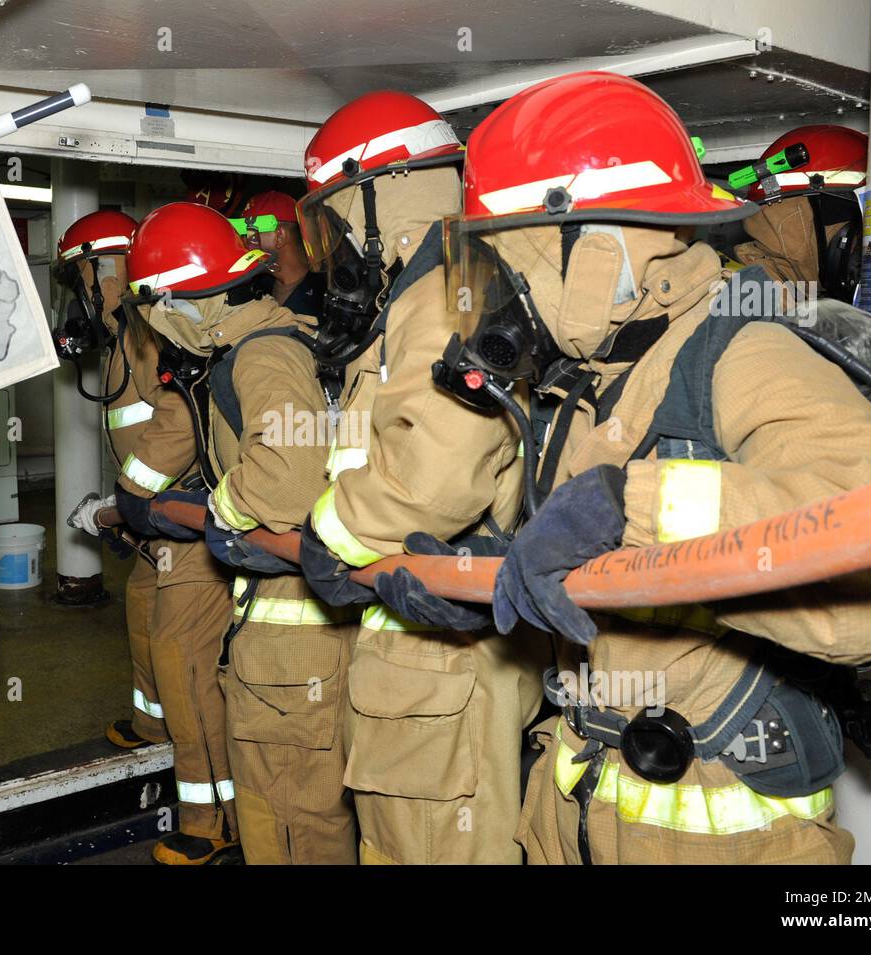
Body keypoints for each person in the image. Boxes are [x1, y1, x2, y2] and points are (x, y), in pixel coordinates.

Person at [459, 71, 871, 864]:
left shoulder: (739, 351)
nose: (498, 296)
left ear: (598, 252)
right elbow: (579, 575)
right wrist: (474, 582)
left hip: (716, 835)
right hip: (576, 807)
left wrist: (633, 504)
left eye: (513, 264)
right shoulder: (589, 379)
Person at [297, 91, 545, 864]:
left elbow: (438, 475)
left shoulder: (444, 293)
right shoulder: (430, 286)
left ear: (382, 196)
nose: (331, 245)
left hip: (442, 680)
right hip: (427, 659)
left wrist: (325, 534)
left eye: (334, 220)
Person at [128, 201, 360, 864]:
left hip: (293, 639)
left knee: (290, 817)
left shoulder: (259, 359)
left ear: (174, 305)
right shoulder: (276, 341)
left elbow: (283, 487)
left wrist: (203, 508)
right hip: (291, 616)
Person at [59, 211, 239, 866]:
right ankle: (151, 726)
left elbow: (184, 417)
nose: (77, 290)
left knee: (183, 660)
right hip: (154, 521)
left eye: (81, 274)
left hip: (185, 520)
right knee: (140, 610)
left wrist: (122, 505)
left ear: (104, 268)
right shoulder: (123, 335)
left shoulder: (147, 332)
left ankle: (215, 816)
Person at [732, 125, 871, 378]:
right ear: (801, 218)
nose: (862, 254)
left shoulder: (786, 299)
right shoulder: (745, 309)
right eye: (858, 236)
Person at [235, 190, 325, 319]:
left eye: (248, 234)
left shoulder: (325, 298)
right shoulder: (256, 286)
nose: (243, 243)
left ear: (279, 237)